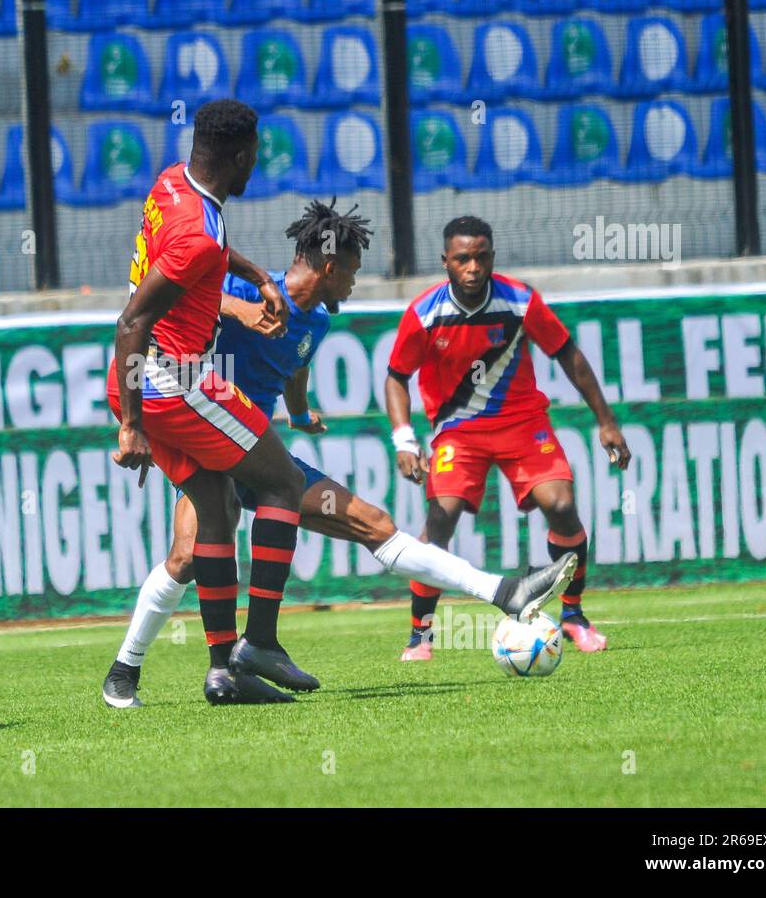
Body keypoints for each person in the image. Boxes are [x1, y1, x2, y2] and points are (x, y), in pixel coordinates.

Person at [102, 201, 575, 707]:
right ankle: (127, 671)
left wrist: (300, 413)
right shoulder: (245, 290)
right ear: (330, 268)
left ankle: (505, 592)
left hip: (257, 452)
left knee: (371, 522)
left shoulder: (318, 323)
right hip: (205, 438)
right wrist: (148, 420)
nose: (353, 284)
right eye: (351, 272)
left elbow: (293, 367)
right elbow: (177, 305)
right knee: (188, 555)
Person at [106, 99, 326, 702]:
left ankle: (218, 673)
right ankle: (259, 642)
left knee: (216, 510)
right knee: (283, 481)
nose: (257, 164)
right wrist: (132, 427)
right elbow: (132, 322)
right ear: (239, 155)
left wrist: (257, 278)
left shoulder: (175, 184)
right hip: (172, 383)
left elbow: (208, 249)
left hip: (146, 381)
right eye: (255, 154)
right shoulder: (198, 231)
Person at [384, 215, 633, 661]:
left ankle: (573, 614)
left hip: (522, 423)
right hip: (458, 431)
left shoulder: (520, 300)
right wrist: (404, 440)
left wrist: (606, 420)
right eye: (462, 259)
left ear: (492, 257)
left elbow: (567, 354)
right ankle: (420, 633)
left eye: (481, 257)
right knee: (440, 517)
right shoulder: (424, 313)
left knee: (561, 505)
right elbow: (396, 377)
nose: (473, 268)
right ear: (446, 262)